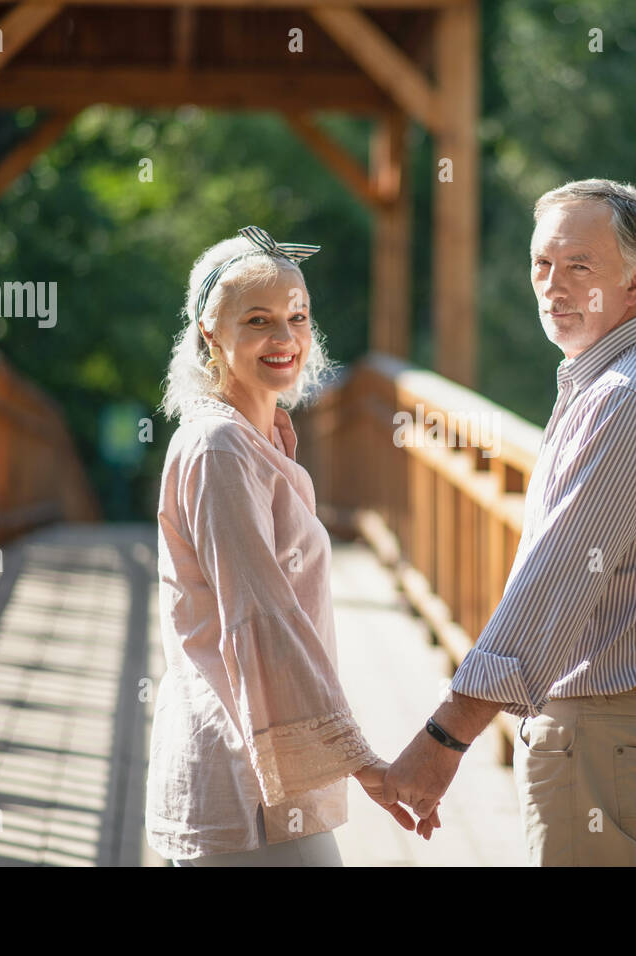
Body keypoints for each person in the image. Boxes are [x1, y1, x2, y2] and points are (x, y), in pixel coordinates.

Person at [384, 179, 636, 866]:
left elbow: (555, 583)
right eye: (542, 263)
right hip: (631, 734)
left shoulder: (626, 399)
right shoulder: (616, 382)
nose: (552, 284)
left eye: (579, 265)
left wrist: (445, 738)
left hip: (603, 735)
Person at [147, 225, 438, 866]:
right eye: (258, 320)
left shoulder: (260, 435)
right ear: (209, 334)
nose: (285, 338)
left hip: (270, 771)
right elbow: (261, 617)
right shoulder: (219, 448)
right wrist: (365, 765)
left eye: (297, 317)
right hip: (244, 777)